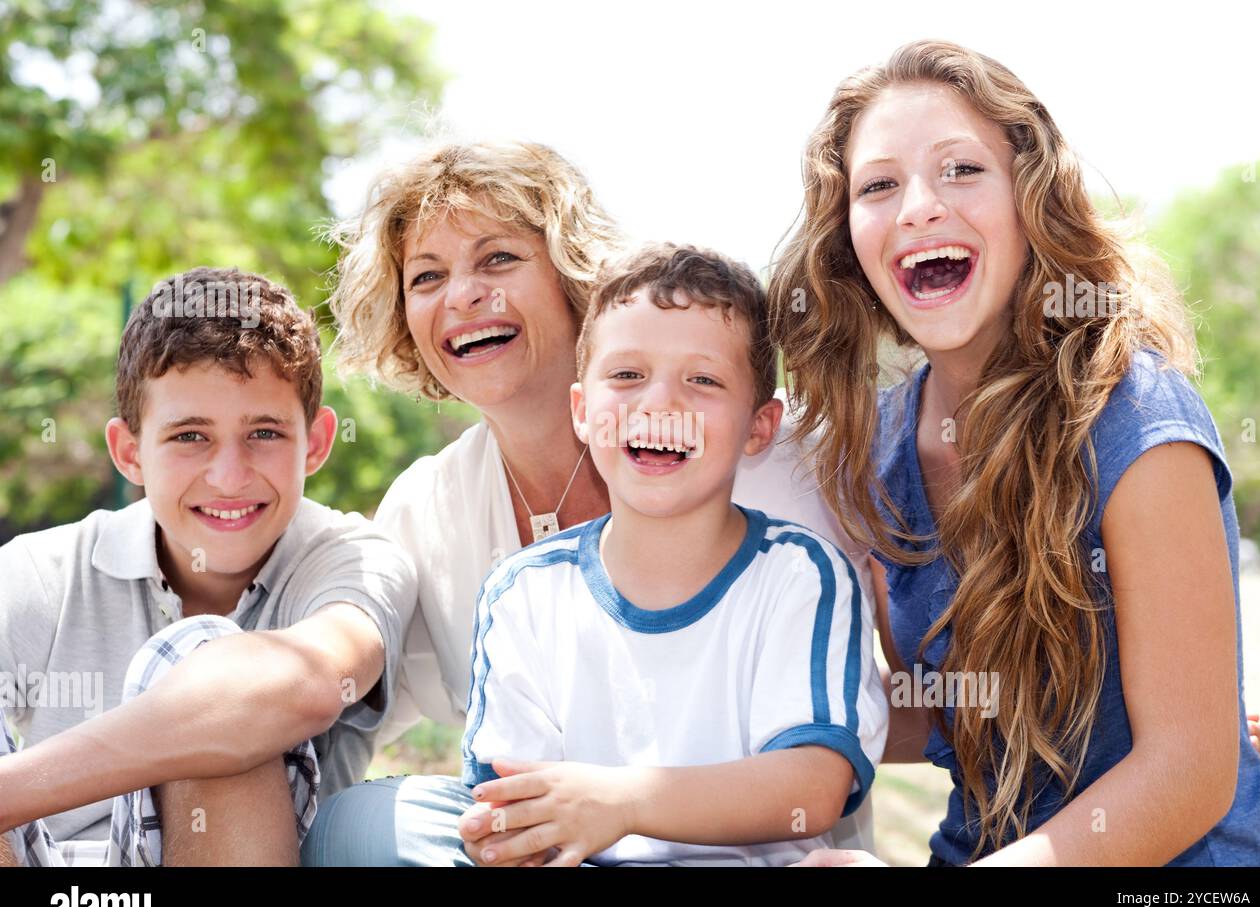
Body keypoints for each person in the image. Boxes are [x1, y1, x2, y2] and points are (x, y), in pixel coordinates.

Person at [768, 40, 1260, 866]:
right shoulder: (869, 451)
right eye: (878, 186)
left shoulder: (1135, 417)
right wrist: (750, 733)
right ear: (849, 237)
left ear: (1030, 198)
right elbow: (946, 714)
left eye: (961, 170)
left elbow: (1190, 773)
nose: (917, 207)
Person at [301, 141, 884, 865]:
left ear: (572, 273)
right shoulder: (436, 516)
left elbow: (867, 720)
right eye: (427, 276)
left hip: (765, 846)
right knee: (367, 826)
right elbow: (359, 718)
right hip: (573, 853)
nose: (461, 296)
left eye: (497, 259)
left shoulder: (781, 476)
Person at [455, 242, 887, 866]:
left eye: (703, 380)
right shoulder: (523, 593)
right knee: (394, 824)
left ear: (760, 426)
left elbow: (813, 788)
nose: (659, 404)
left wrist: (623, 802)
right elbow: (508, 804)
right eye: (627, 376)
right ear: (582, 410)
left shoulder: (801, 575)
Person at [0, 267, 414, 866]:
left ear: (316, 443)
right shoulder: (44, 572)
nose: (229, 475)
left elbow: (309, 683)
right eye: (190, 436)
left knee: (220, 680)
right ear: (129, 452)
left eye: (264, 433)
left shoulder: (356, 561)